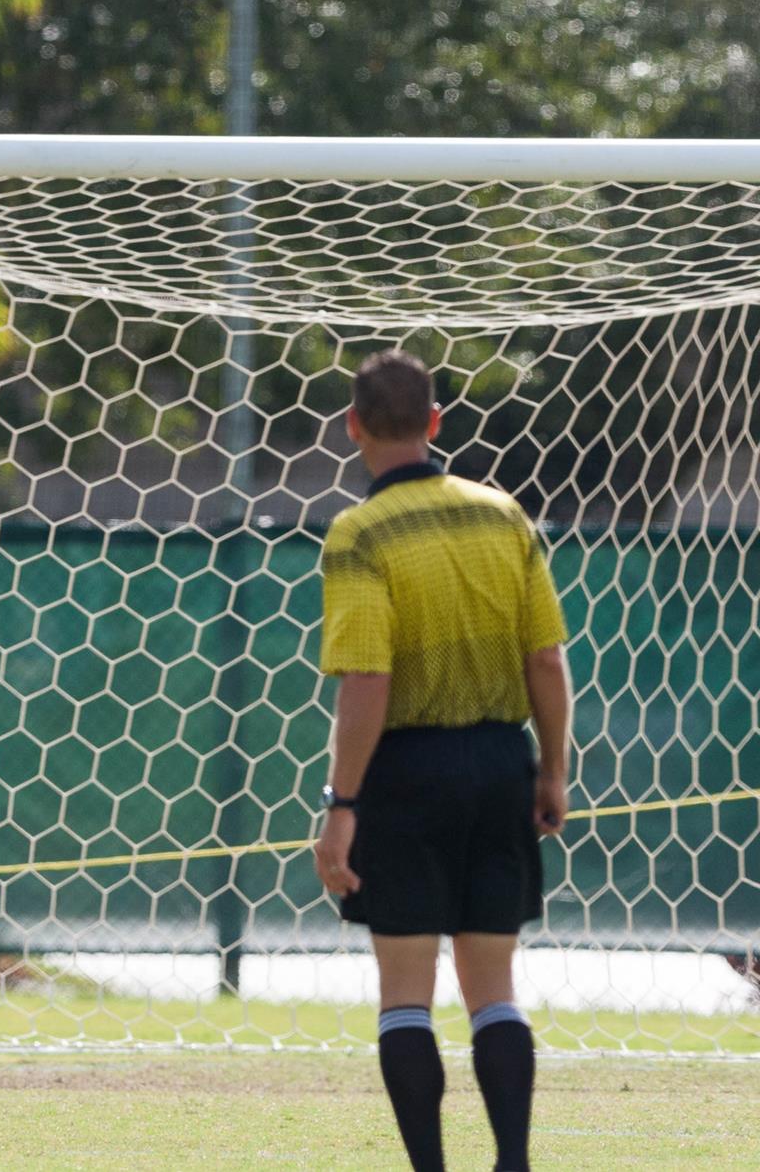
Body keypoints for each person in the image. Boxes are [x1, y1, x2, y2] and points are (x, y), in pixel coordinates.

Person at [311, 349, 572, 1172]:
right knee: (494, 986)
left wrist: (341, 804)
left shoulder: (359, 533)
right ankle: (514, 1164)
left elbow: (368, 677)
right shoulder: (504, 514)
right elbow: (547, 661)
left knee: (405, 994)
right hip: (502, 760)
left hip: (406, 774)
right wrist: (552, 769)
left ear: (353, 427)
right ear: (435, 421)